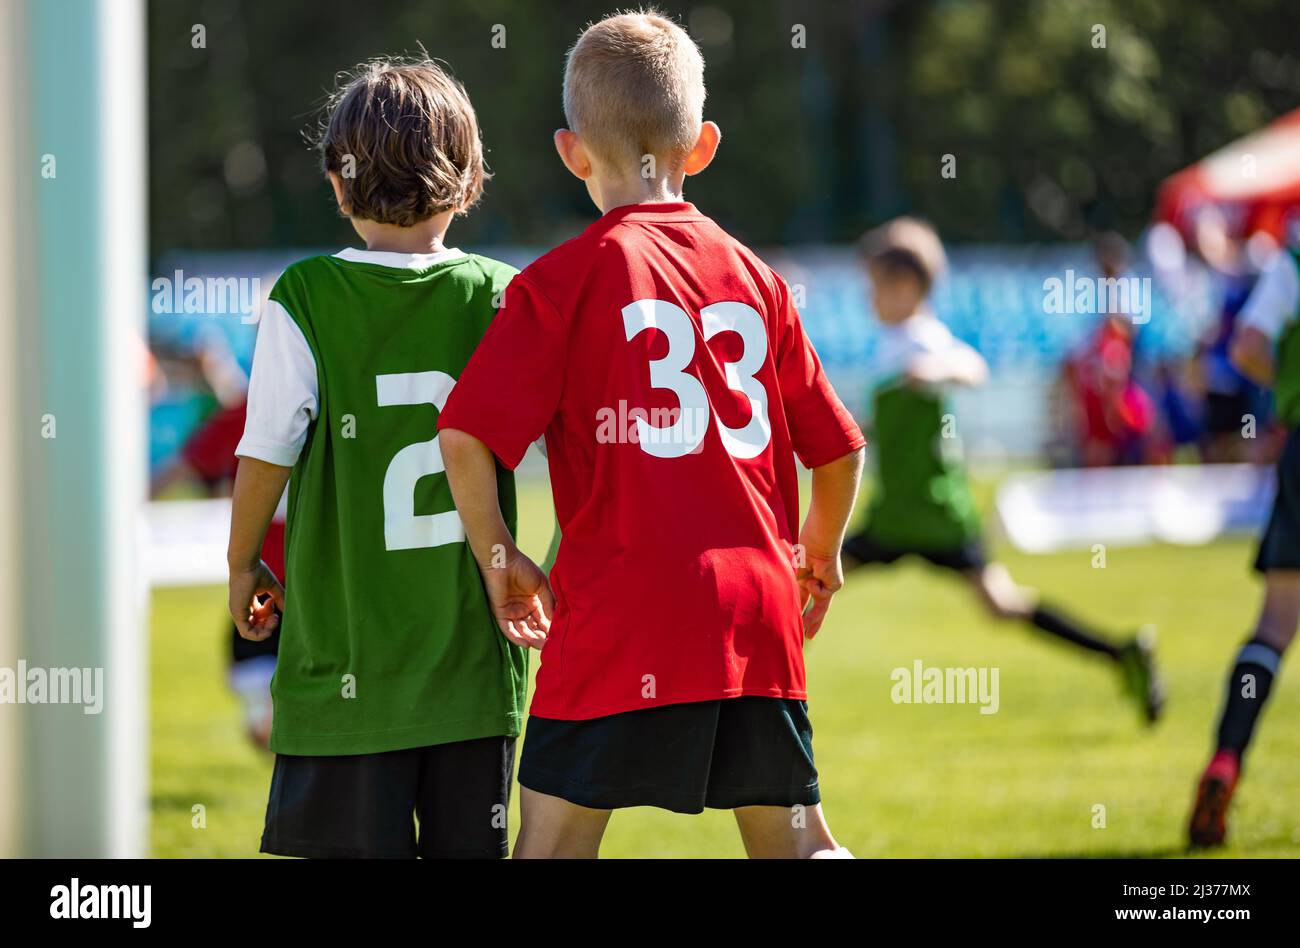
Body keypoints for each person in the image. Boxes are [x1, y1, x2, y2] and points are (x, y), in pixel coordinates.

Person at [438, 9, 866, 859]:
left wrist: (500, 561)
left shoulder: (560, 282)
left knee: (553, 844)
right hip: (754, 613)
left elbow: (466, 435)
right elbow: (840, 448)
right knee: (800, 845)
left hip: (618, 612)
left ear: (572, 152)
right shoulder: (758, 278)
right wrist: (819, 550)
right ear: (701, 146)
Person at [226, 57, 527, 858]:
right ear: (469, 183)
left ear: (336, 181)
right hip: (471, 672)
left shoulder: (308, 297)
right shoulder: (502, 294)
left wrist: (241, 561)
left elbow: (266, 451)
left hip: (346, 672)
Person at [843, 217, 1163, 725]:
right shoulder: (892, 343)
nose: (868, 299)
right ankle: (1120, 653)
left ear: (904, 288)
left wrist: (938, 369)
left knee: (812, 580)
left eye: (874, 287)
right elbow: (886, 420)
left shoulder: (922, 339)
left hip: (928, 512)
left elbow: (971, 366)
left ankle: (763, 700)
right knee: (1002, 603)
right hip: (913, 512)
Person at [1189, 243, 1300, 847]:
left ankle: (1225, 761)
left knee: (1276, 623)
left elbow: (1247, 347)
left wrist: (1286, 381)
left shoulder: (1292, 261)